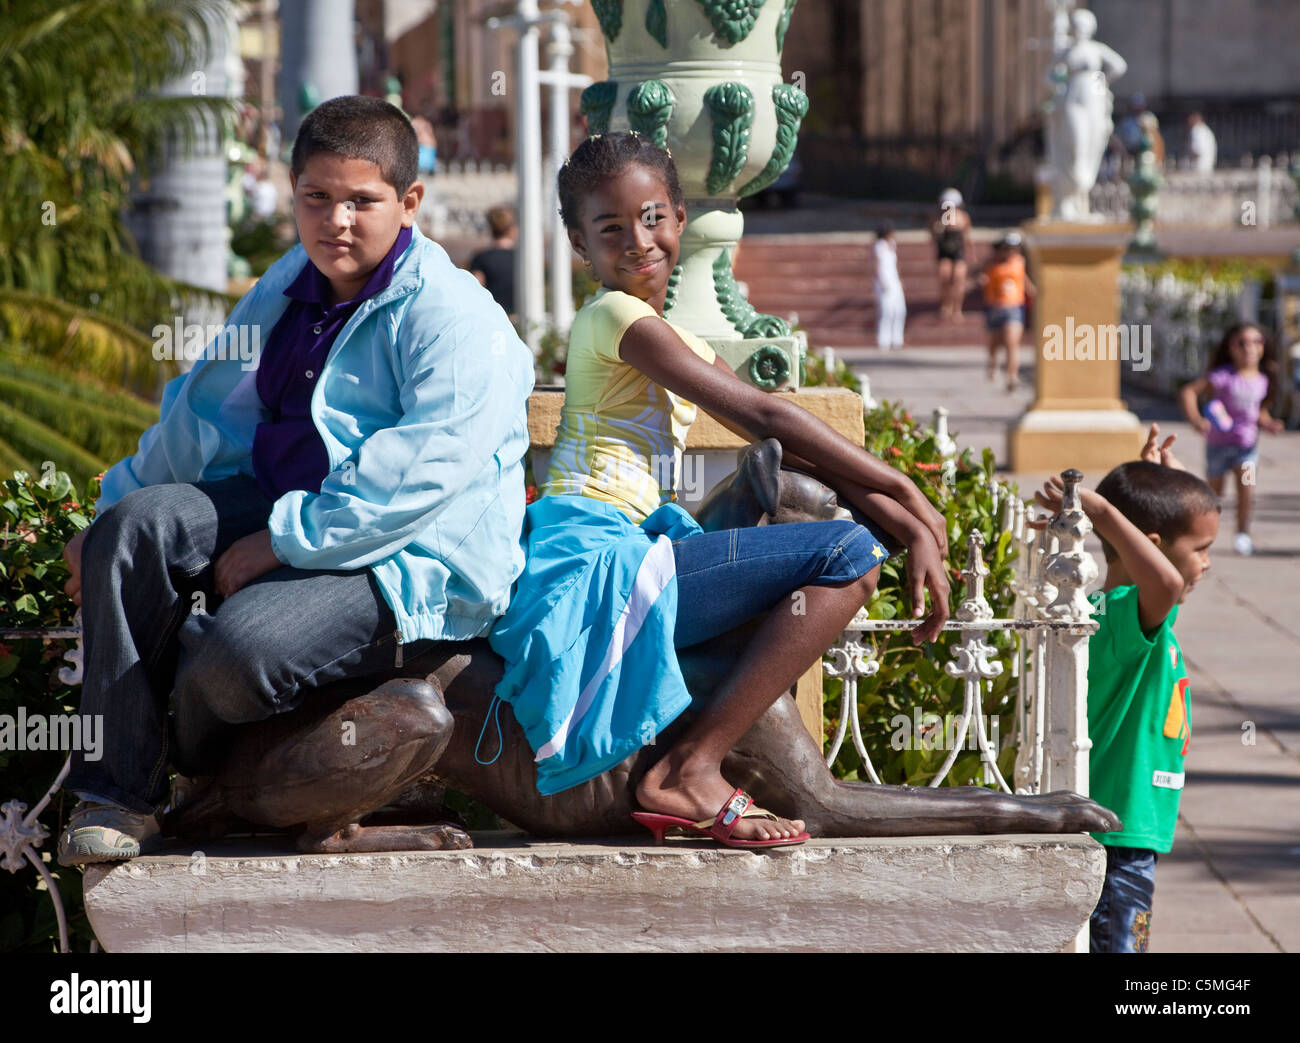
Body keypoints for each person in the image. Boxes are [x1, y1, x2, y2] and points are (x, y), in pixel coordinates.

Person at [56, 95, 535, 865]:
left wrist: (279, 543)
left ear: (409, 203)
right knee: (137, 526)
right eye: (317, 198)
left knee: (244, 650)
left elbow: (416, 479)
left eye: (362, 202)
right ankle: (121, 794)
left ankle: (195, 765)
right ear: (292, 194)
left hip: (410, 553)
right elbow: (201, 406)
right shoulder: (290, 285)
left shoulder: (456, 319)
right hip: (294, 506)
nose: (337, 221)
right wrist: (109, 516)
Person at [487, 133, 952, 849]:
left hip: (631, 549)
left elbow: (789, 444)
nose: (639, 242)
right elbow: (764, 416)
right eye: (610, 229)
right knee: (849, 554)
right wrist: (910, 496)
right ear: (580, 244)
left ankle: (691, 758)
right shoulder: (614, 316)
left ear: (679, 217)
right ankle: (686, 768)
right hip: (592, 561)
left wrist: (915, 524)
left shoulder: (672, 338)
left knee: (845, 539)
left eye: (653, 218)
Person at [1033, 433, 1220, 953]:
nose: (1205, 564)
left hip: (1128, 832)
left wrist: (1165, 475)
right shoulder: (1125, 617)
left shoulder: (1125, 614)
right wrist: (1101, 510)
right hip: (1119, 837)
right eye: (1201, 550)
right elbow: (1167, 582)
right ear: (1156, 548)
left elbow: (1165, 565)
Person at [1178, 322, 1284, 556]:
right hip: (1218, 447)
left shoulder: (1264, 380)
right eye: (1242, 343)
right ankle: (1204, 536)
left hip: (1247, 449)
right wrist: (1196, 419)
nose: (1249, 347)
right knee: (1213, 496)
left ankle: (1242, 533)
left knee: (1247, 488)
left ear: (1263, 346)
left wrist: (1268, 423)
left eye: (1257, 341)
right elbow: (1189, 392)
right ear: (1231, 347)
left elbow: (1258, 412)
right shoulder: (1222, 377)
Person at [978, 231, 1035, 392]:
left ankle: (1012, 376)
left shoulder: (1019, 262)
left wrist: (1035, 294)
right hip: (995, 307)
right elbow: (980, 277)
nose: (1010, 252)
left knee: (1012, 342)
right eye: (1007, 248)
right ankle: (993, 362)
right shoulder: (991, 264)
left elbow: (1025, 282)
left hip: (1015, 307)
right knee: (995, 343)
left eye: (1014, 248)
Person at [468, 205, 518, 318]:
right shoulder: (521, 259)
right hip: (520, 318)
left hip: (494, 318)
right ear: (513, 230)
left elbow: (475, 291)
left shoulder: (481, 258)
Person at [931, 188, 971, 321]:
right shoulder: (938, 218)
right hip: (944, 251)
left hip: (958, 251)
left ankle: (957, 309)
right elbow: (934, 237)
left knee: (959, 279)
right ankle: (946, 305)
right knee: (945, 276)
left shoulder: (963, 217)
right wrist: (939, 228)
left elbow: (967, 237)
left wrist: (971, 254)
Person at [873, 221, 906, 350]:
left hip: (894, 280)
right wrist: (882, 282)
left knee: (900, 310)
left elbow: (895, 264)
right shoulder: (879, 246)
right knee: (887, 311)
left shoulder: (892, 244)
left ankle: (897, 339)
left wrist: (900, 280)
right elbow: (877, 265)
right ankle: (884, 340)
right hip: (884, 281)